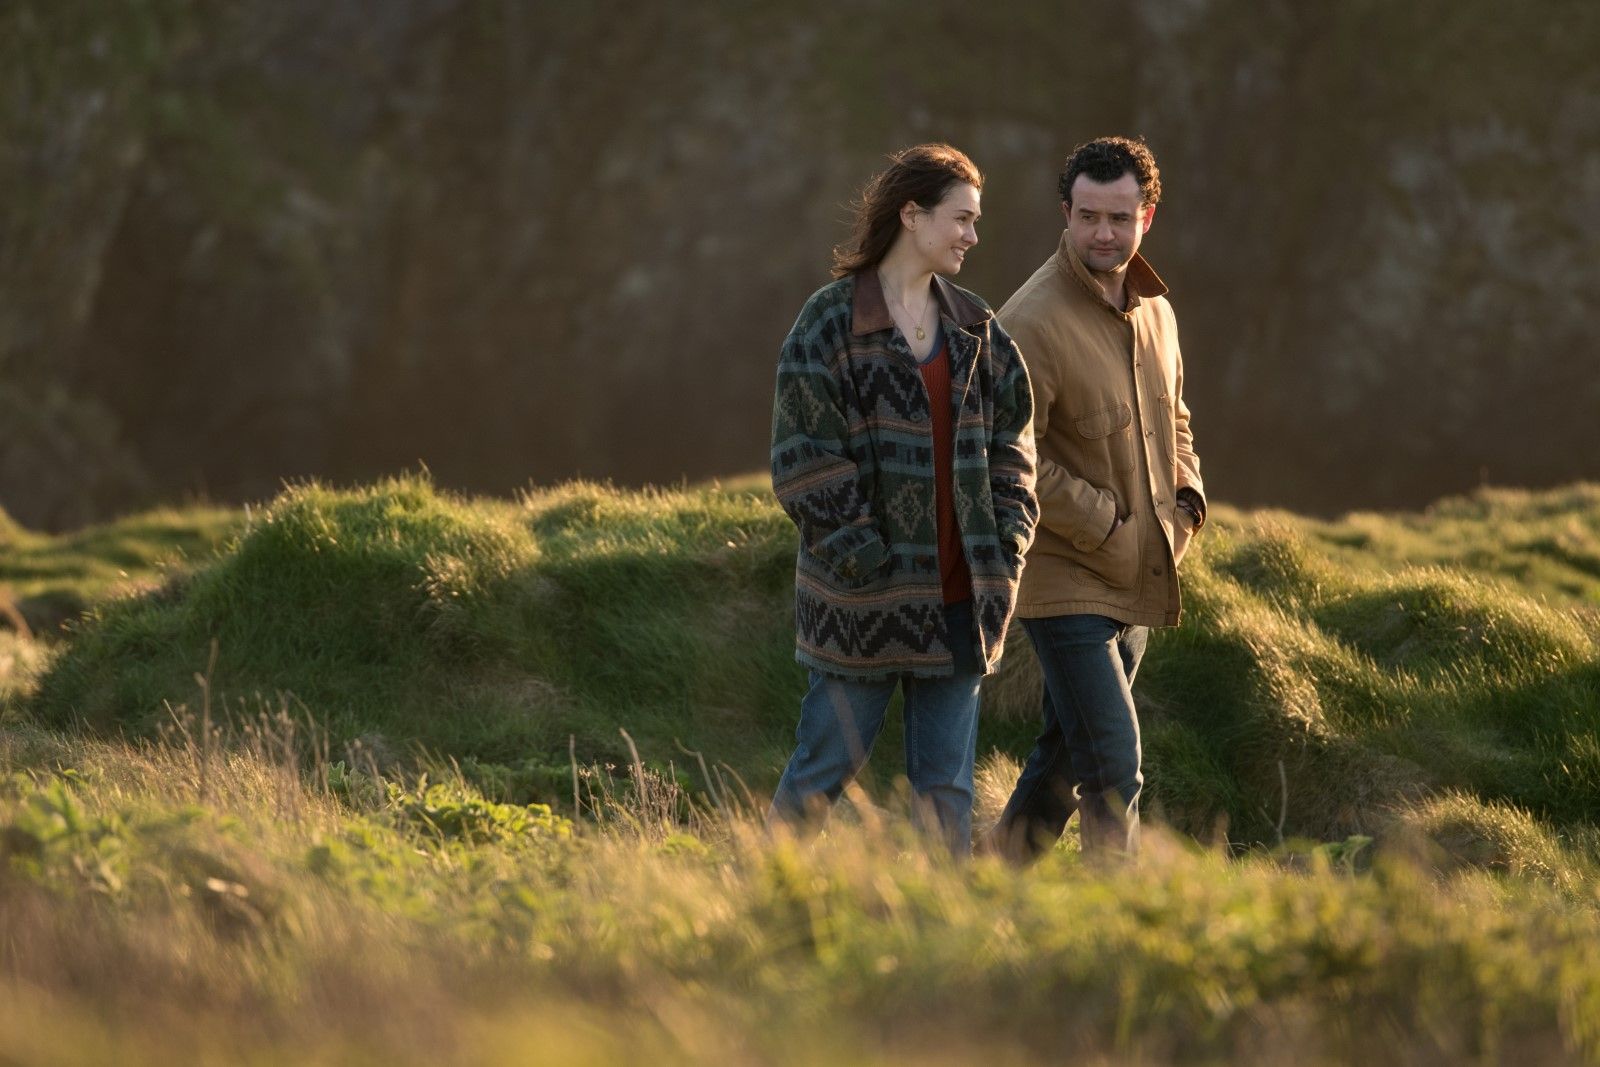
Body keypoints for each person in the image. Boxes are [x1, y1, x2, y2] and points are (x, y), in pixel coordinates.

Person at [766, 143, 1039, 855]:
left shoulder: (976, 326)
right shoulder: (828, 324)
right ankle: (764, 894)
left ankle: (941, 933)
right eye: (961, 219)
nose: (972, 237)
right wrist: (862, 555)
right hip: (863, 602)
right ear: (912, 215)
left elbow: (1016, 441)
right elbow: (802, 457)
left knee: (945, 788)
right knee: (824, 768)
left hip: (963, 599)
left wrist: (1008, 540)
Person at [986, 136, 1206, 861]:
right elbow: (1011, 450)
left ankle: (987, 881)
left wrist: (1188, 503)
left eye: (1118, 217)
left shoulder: (1158, 313)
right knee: (1114, 762)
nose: (1102, 233)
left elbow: (1174, 417)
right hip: (1063, 576)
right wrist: (1107, 522)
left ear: (1148, 216)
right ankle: (1116, 926)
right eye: (1087, 216)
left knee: (1066, 751)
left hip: (1143, 564)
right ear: (1066, 213)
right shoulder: (1029, 321)